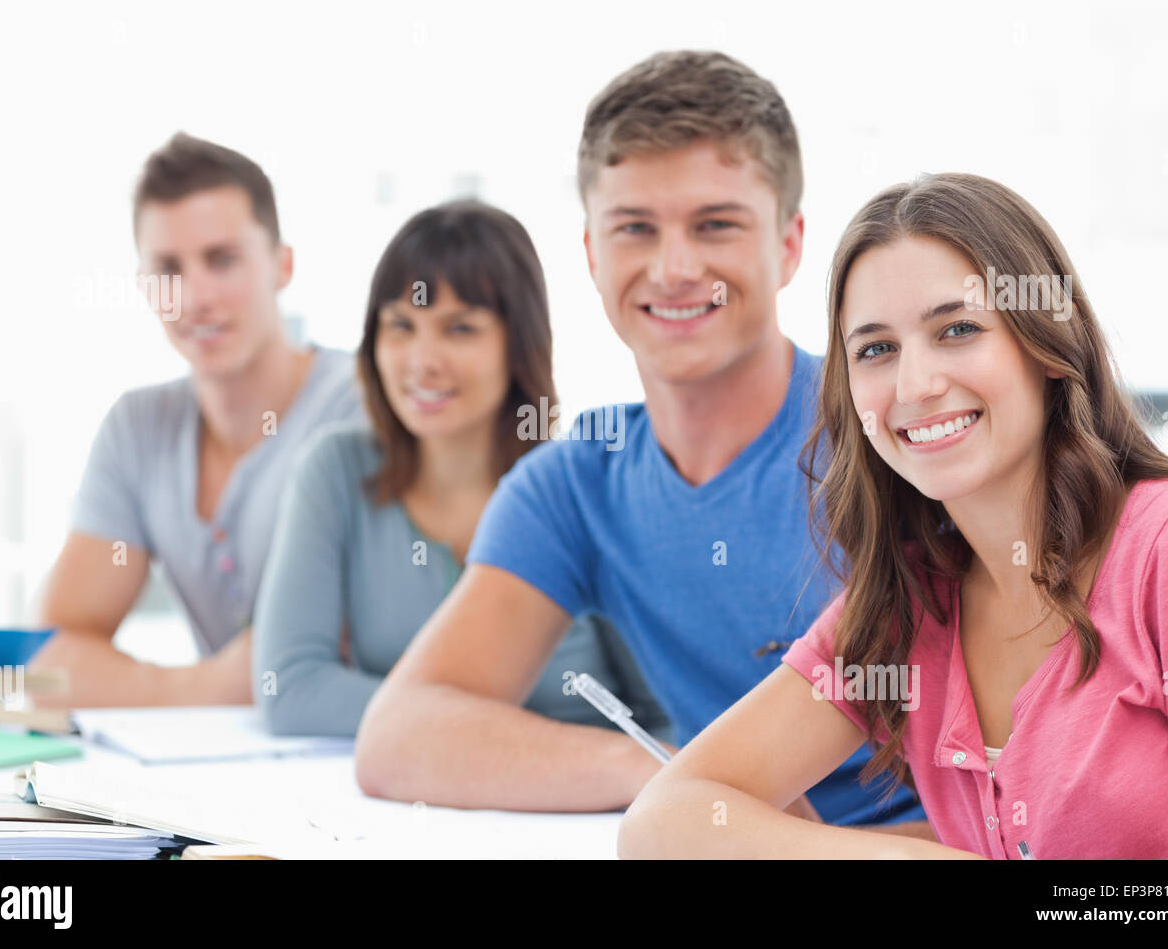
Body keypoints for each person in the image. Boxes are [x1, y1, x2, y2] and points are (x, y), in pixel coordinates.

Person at [355, 50, 929, 831]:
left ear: (791, 244)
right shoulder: (572, 485)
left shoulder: (895, 435)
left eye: (716, 224)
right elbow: (399, 736)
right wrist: (674, 775)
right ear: (592, 254)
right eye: (634, 228)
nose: (675, 267)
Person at [618, 172, 1168, 859]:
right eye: (877, 350)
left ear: (1048, 344)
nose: (917, 386)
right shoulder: (909, 602)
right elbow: (663, 820)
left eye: (958, 330)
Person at [252, 199, 669, 740]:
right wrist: (462, 738)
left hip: (576, 811)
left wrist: (480, 747)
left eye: (460, 329)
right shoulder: (337, 471)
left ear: (517, 345)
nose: (423, 360)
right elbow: (290, 689)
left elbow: (668, 721)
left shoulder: (583, 491)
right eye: (401, 325)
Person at [30, 133, 364, 708]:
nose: (194, 298)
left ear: (282, 264)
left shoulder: (363, 406)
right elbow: (49, 662)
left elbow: (345, 649)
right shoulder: (138, 428)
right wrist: (202, 685)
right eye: (167, 270)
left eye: (222, 260)